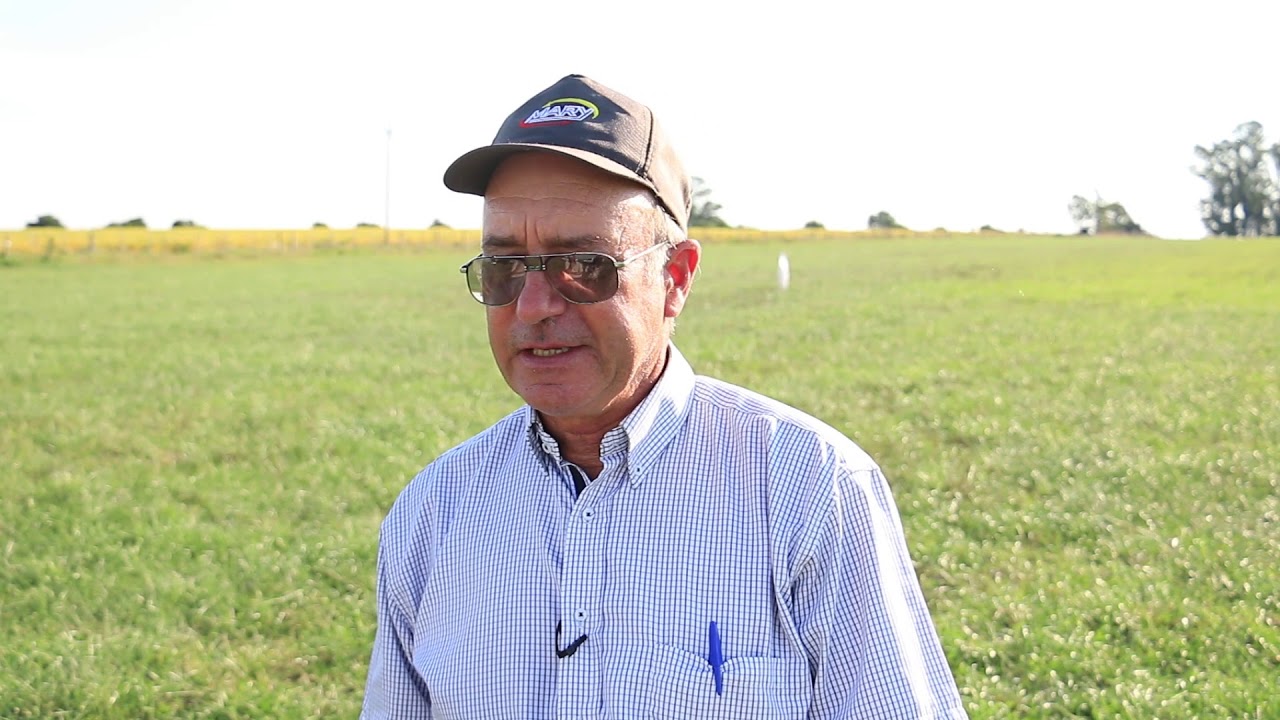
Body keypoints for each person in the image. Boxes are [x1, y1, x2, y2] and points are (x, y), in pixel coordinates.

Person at [361, 74, 968, 719]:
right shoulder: (434, 513)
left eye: (586, 266)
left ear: (674, 278)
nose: (535, 307)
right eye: (507, 268)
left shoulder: (809, 490)